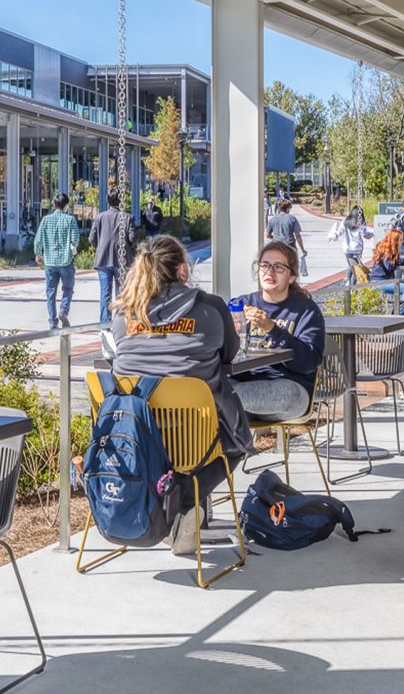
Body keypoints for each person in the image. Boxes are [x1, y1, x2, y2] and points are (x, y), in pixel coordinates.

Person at [109, 235, 250, 557]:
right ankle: (186, 502)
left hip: (134, 437)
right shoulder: (210, 306)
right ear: (183, 270)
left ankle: (162, 501)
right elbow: (229, 353)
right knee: (237, 443)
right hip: (197, 435)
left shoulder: (124, 314)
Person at [230, 240, 326, 423]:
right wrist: (230, 332)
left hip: (288, 388)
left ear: (291, 276)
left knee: (216, 397)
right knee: (214, 392)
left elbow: (309, 361)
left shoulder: (306, 310)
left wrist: (271, 329)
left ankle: (221, 400)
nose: (269, 272)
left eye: (278, 267)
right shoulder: (241, 305)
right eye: (265, 265)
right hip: (243, 382)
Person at [32, 193, 80, 330]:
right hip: (66, 261)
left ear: (54, 205)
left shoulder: (46, 220)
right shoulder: (70, 220)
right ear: (66, 205)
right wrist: (72, 245)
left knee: (50, 292)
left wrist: (38, 254)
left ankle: (52, 320)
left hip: (50, 262)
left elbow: (38, 239)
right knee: (68, 289)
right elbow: (75, 238)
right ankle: (63, 311)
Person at [89, 192, 134, 324]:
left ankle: (105, 322)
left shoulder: (100, 217)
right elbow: (132, 238)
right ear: (121, 202)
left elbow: (92, 239)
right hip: (122, 259)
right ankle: (120, 320)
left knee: (105, 292)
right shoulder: (128, 217)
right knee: (121, 292)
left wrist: (101, 246)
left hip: (103, 259)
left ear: (108, 202)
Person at [367, 228, 404, 316]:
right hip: (379, 282)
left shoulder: (385, 248)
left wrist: (403, 259)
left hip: (382, 280)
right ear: (395, 241)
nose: (402, 243)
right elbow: (389, 266)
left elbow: (392, 263)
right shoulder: (386, 251)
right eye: (400, 240)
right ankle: (402, 314)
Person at [329, 206, 372, 285]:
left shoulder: (345, 221)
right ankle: (352, 285)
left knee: (351, 265)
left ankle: (349, 281)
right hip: (357, 249)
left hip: (347, 248)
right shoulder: (360, 222)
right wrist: (372, 234)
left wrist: (334, 235)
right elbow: (364, 234)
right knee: (356, 268)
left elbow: (340, 233)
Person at [266, 199, 305, 276]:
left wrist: (275, 238)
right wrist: (303, 249)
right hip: (290, 246)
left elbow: (267, 235)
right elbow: (298, 236)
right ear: (288, 208)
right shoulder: (292, 219)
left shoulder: (273, 219)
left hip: (276, 246)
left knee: (278, 266)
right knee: (291, 267)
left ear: (279, 208)